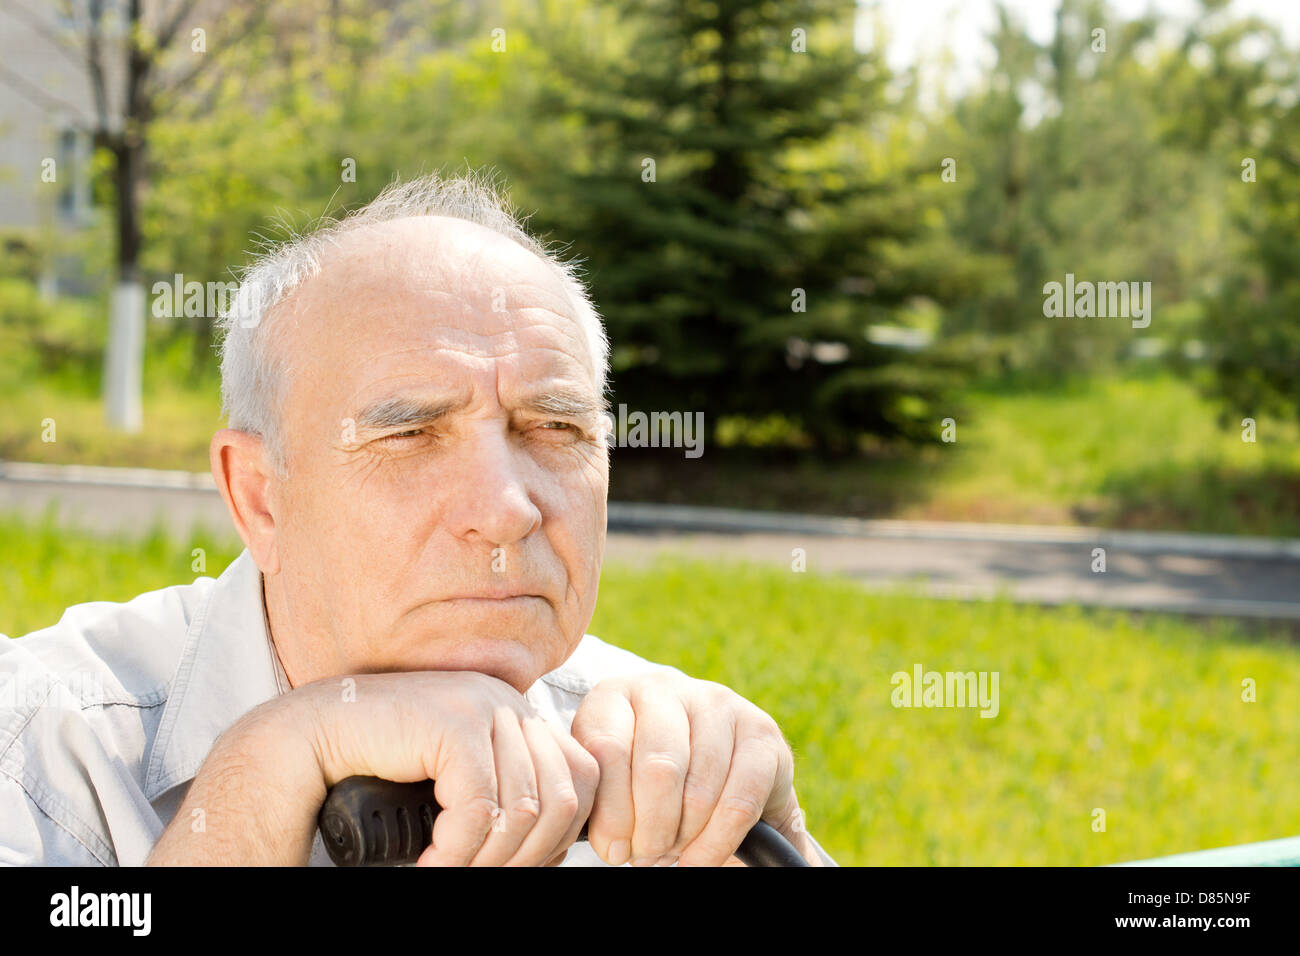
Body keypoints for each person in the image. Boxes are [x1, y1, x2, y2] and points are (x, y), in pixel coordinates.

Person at [0, 172, 835, 867]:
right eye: (409, 435)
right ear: (259, 495)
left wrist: (782, 843)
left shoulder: (660, 769)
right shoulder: (40, 746)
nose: (508, 510)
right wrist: (259, 783)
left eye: (555, 428)